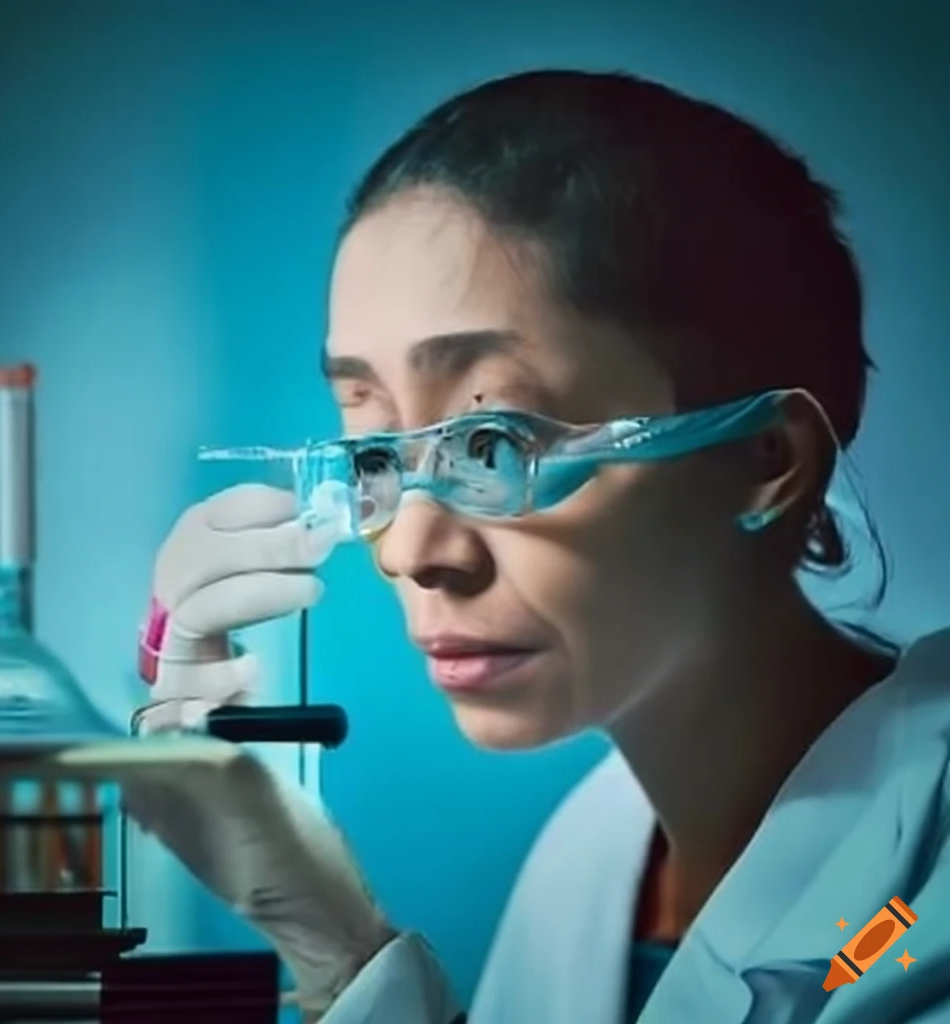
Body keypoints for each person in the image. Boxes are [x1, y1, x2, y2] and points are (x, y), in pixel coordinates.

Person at [123, 70, 950, 1023]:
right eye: (373, 450)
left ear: (766, 459)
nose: (412, 553)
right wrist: (328, 936)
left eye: (492, 444)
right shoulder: (591, 858)